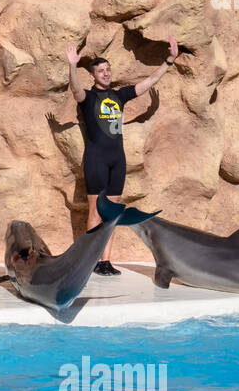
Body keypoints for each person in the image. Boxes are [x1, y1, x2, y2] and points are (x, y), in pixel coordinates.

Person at [66, 37, 179, 275]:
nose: (106, 74)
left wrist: (168, 61)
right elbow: (75, 90)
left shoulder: (120, 96)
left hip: (117, 160)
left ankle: (106, 261)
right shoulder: (88, 98)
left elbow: (147, 83)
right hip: (96, 159)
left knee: (113, 212)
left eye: (108, 70)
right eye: (101, 71)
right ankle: (91, 260)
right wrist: (72, 66)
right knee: (96, 211)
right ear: (93, 75)